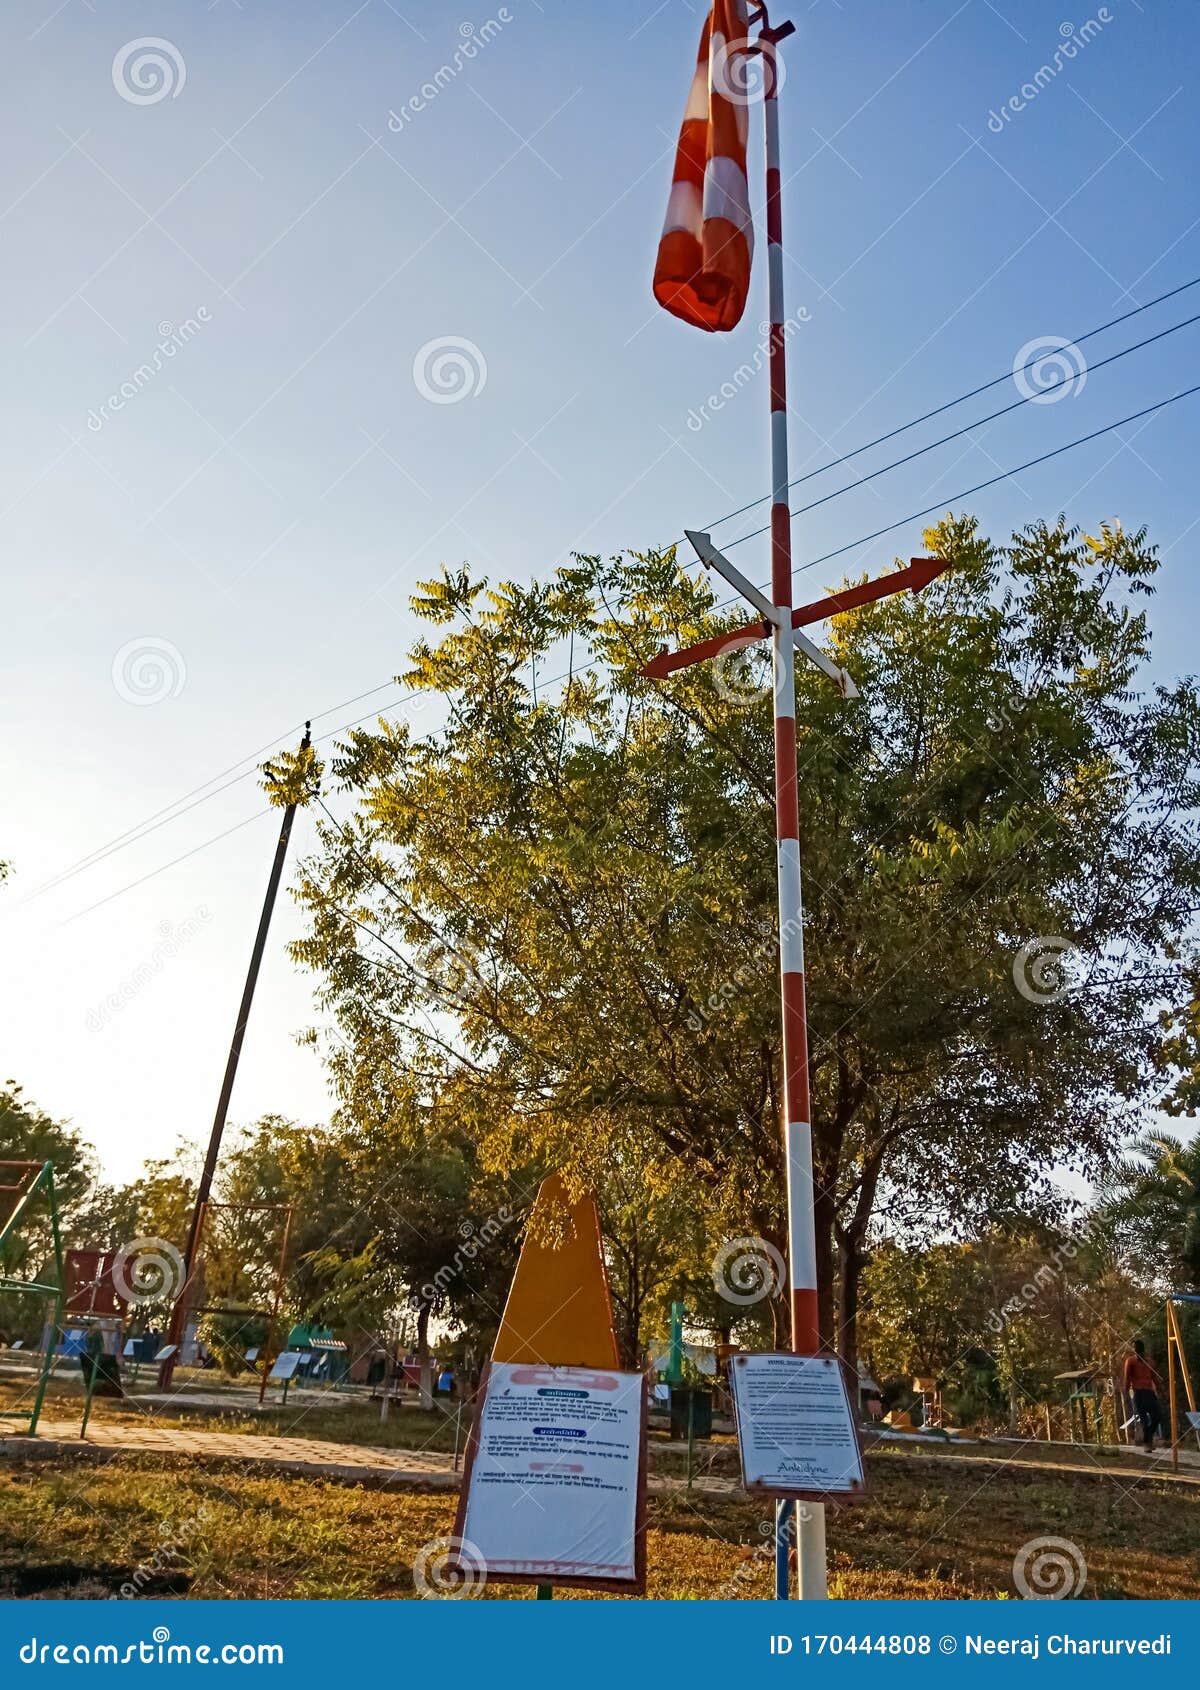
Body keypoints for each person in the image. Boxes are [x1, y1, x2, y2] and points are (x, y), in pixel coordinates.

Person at [1123, 1338, 1163, 1452]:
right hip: (1138, 1392)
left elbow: (1154, 1377)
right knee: (1144, 1419)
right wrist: (1126, 1391)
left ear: (1142, 1349)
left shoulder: (1150, 1362)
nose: (1135, 1351)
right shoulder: (1130, 1361)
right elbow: (1127, 1378)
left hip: (1149, 1392)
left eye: (1137, 1349)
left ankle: (1148, 1439)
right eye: (1134, 1349)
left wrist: (1160, 1390)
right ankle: (1147, 1444)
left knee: (1157, 1416)